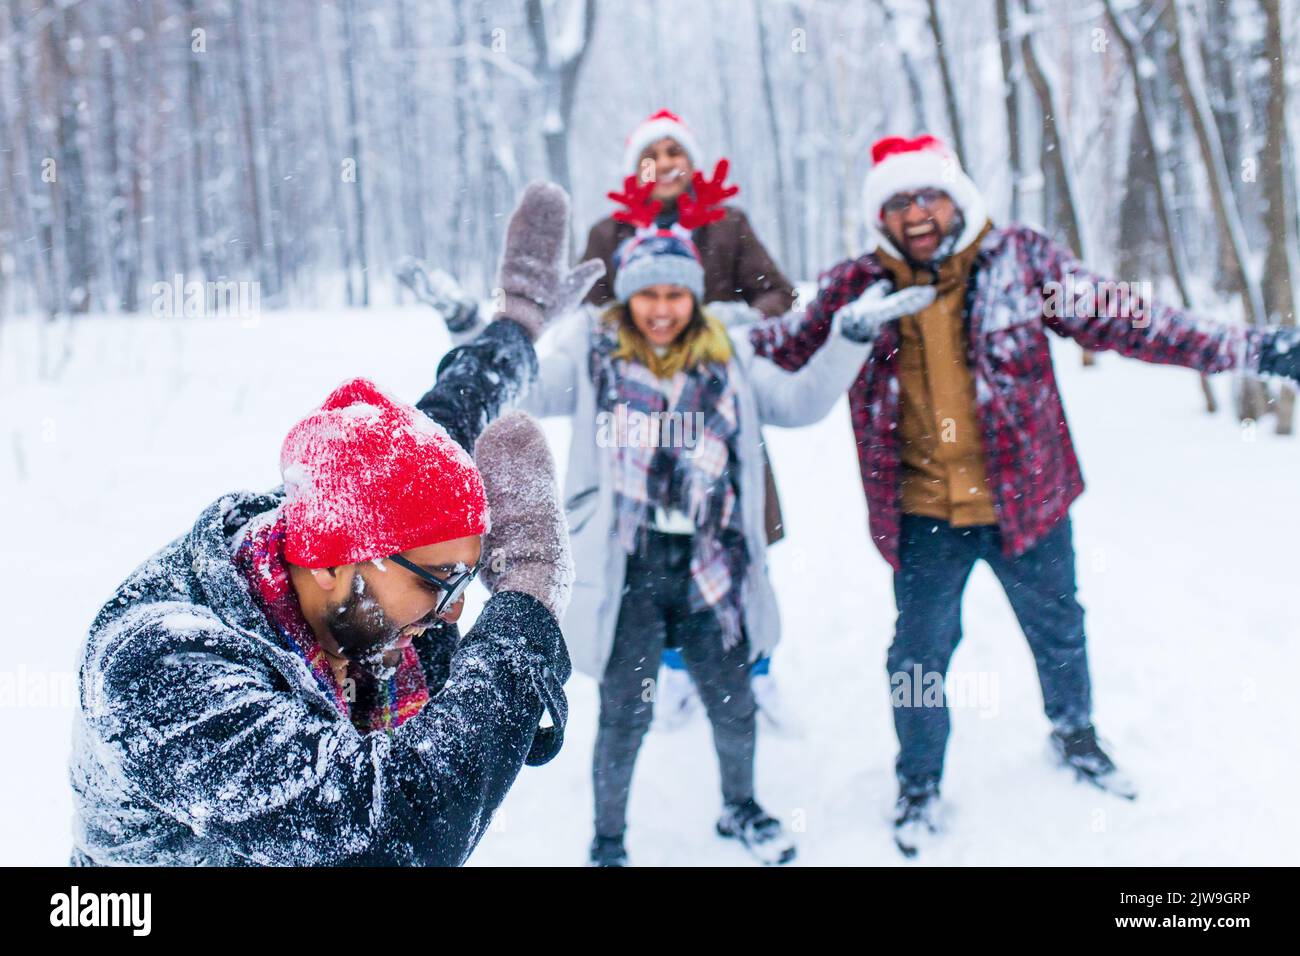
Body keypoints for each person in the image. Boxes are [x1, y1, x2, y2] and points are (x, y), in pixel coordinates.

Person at [750, 133, 1300, 857]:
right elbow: (770, 346)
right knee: (916, 661)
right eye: (898, 201)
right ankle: (918, 781)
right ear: (878, 215)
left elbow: (1132, 321)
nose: (916, 212)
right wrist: (647, 335)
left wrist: (1254, 349)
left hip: (1028, 503)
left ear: (956, 198)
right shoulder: (857, 287)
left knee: (1061, 631)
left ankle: (1075, 734)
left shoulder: (1022, 262)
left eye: (929, 195)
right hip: (924, 517)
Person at [69, 183, 604, 866]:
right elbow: (386, 833)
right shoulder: (160, 669)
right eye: (441, 582)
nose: (456, 611)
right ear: (328, 564)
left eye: (468, 576)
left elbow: (454, 404)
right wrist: (526, 599)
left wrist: (519, 325)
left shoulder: (351, 514)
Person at [516, 180, 876, 866]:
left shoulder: (731, 353)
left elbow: (799, 402)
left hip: (715, 561)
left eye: (674, 294)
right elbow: (527, 386)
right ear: (627, 297)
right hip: (632, 565)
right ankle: (608, 839)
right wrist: (472, 328)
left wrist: (848, 339)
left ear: (693, 296)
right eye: (646, 295)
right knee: (625, 714)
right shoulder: (594, 355)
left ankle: (740, 808)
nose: (659, 308)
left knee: (734, 702)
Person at [583, 109, 798, 733]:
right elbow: (587, 314)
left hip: (721, 412)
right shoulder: (608, 234)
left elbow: (778, 293)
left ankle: (756, 671)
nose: (667, 162)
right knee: (655, 552)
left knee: (737, 540)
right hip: (638, 425)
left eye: (678, 151)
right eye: (654, 153)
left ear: (693, 164)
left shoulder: (727, 225)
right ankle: (678, 674)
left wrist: (733, 321)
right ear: (637, 169)